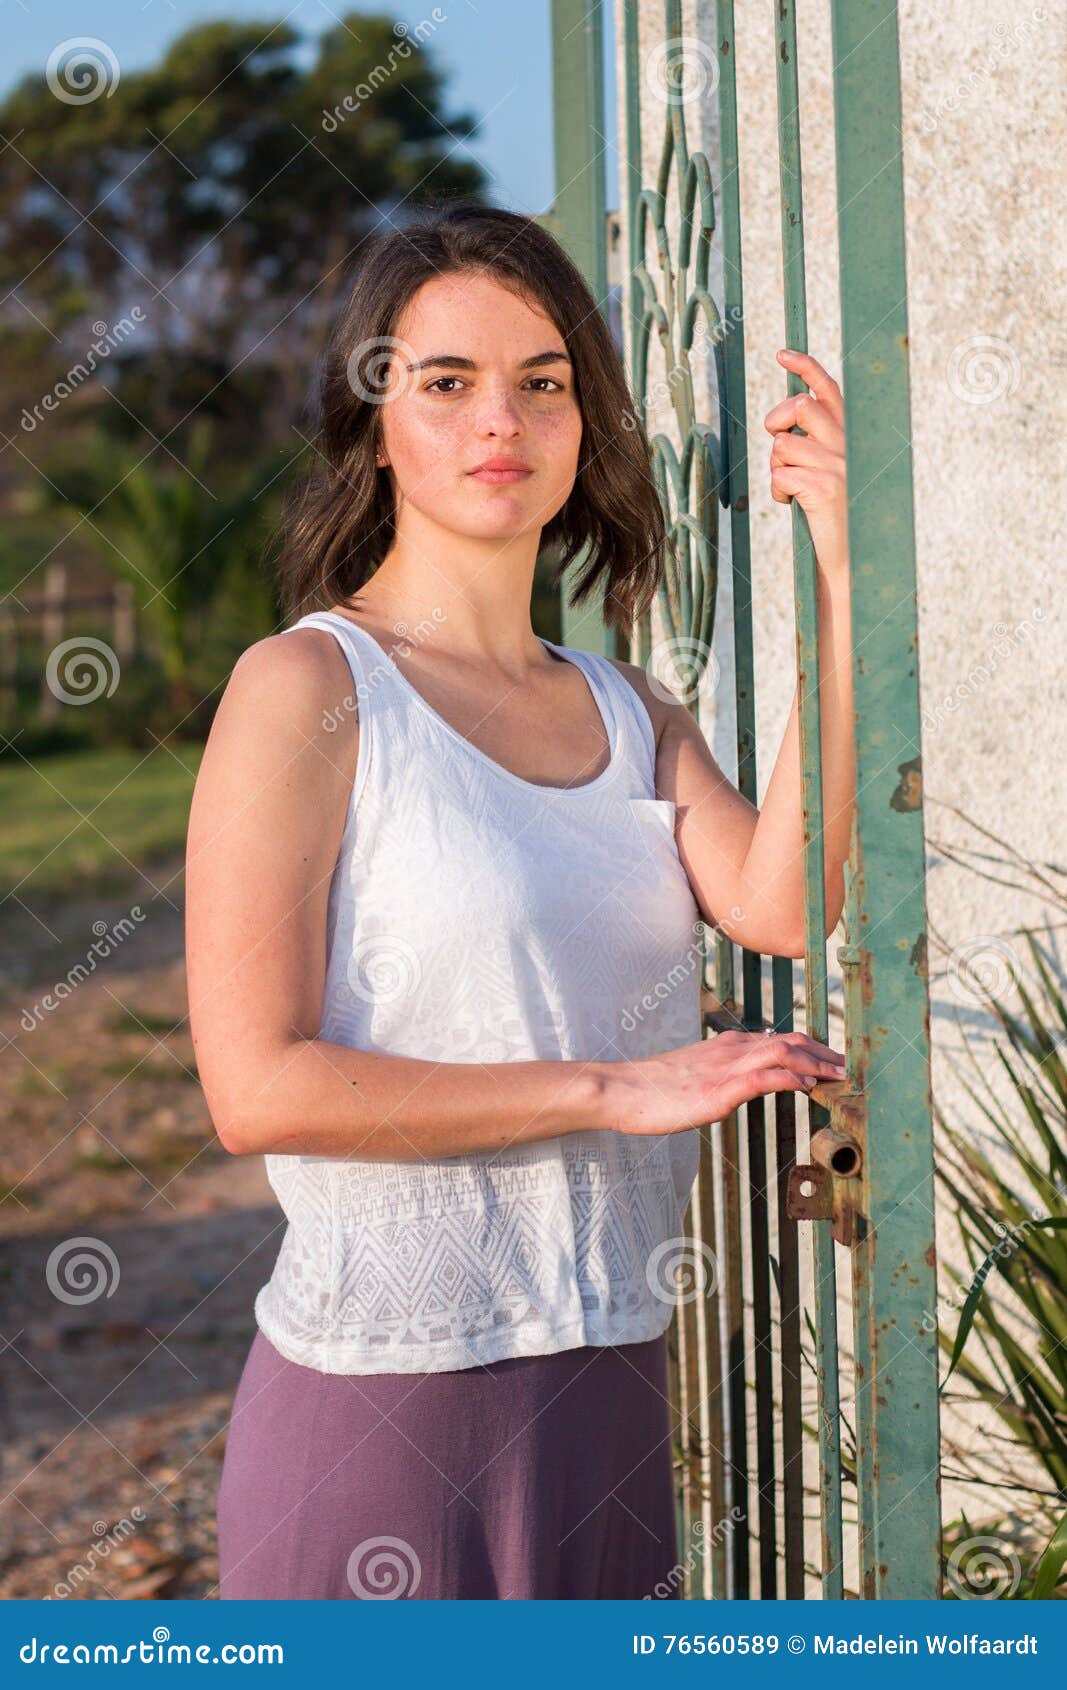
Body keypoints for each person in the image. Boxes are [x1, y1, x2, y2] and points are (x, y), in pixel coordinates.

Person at [185, 203, 853, 1601]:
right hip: (386, 1404)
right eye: (446, 382)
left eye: (544, 381)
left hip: (609, 1386)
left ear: (583, 421)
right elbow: (257, 1087)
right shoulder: (305, 690)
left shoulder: (630, 709)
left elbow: (787, 899)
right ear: (375, 424)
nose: (505, 419)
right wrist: (616, 1086)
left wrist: (850, 579)